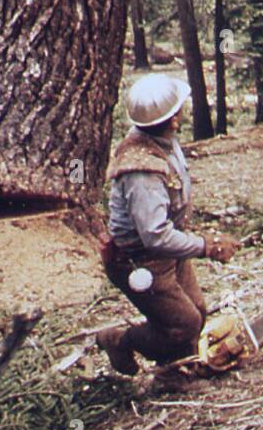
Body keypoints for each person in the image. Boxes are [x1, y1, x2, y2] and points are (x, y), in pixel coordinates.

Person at [97, 74, 241, 374]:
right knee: (183, 324)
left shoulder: (162, 142)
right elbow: (156, 236)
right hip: (140, 261)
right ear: (173, 119)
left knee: (197, 313)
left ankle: (175, 370)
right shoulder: (142, 171)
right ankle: (120, 340)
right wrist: (208, 247)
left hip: (166, 252)